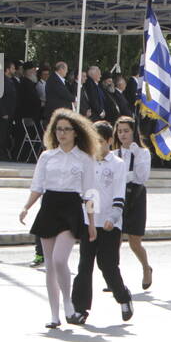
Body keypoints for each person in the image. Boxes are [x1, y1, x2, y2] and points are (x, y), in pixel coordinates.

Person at [20, 108, 101, 329]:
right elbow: (37, 186)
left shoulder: (85, 159)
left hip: (71, 209)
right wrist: (27, 207)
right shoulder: (47, 156)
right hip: (49, 207)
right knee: (50, 265)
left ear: (76, 132)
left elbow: (90, 192)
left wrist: (91, 223)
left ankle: (68, 304)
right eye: (58, 129)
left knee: (59, 259)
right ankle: (54, 315)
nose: (62, 133)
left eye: (66, 129)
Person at [69, 122, 133, 324]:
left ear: (109, 141)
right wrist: (88, 219)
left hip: (110, 222)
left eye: (100, 142)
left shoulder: (118, 164)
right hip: (90, 222)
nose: (95, 146)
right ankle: (79, 309)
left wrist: (113, 217)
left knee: (108, 265)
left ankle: (123, 296)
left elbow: (118, 193)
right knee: (84, 265)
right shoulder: (86, 162)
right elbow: (86, 193)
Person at [113, 116, 153, 290]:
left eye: (126, 131)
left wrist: (136, 153)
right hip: (118, 195)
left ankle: (146, 267)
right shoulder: (114, 154)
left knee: (134, 241)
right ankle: (113, 276)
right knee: (114, 239)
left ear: (133, 132)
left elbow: (142, 176)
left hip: (135, 196)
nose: (123, 135)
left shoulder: (142, 152)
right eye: (120, 131)